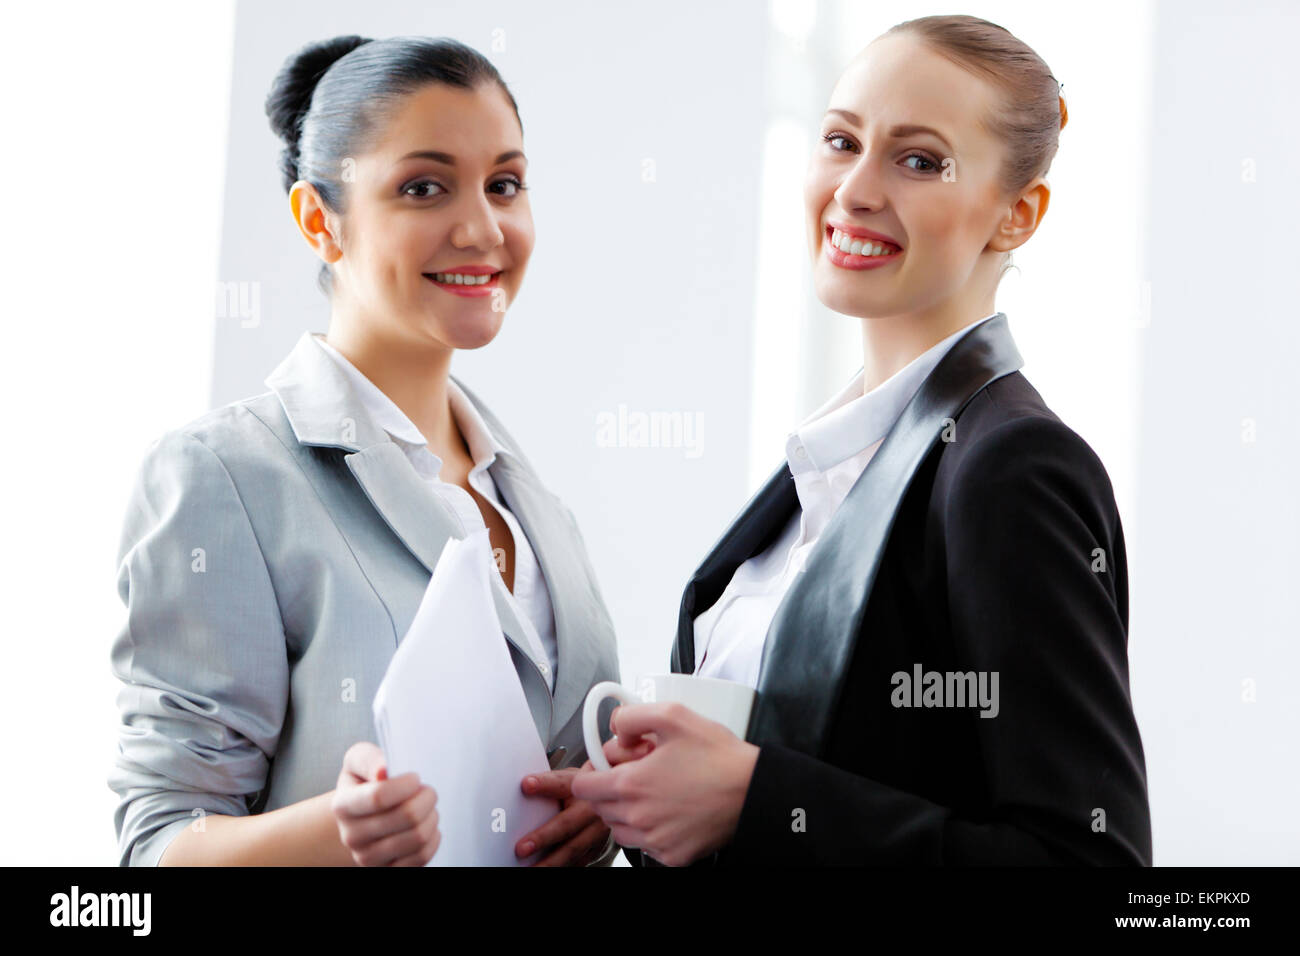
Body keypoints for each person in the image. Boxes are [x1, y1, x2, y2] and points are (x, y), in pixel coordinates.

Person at [567, 14, 1152, 866]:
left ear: (1016, 216)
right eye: (842, 141)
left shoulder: (1010, 467)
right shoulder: (829, 465)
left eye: (919, 161)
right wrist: (636, 803)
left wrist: (757, 800)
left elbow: (1093, 863)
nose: (856, 190)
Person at [108, 35, 620, 867]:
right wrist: (337, 834)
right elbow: (160, 845)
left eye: (506, 184)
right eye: (424, 187)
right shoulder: (226, 476)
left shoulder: (540, 512)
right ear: (320, 221)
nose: (482, 227)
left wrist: (595, 813)